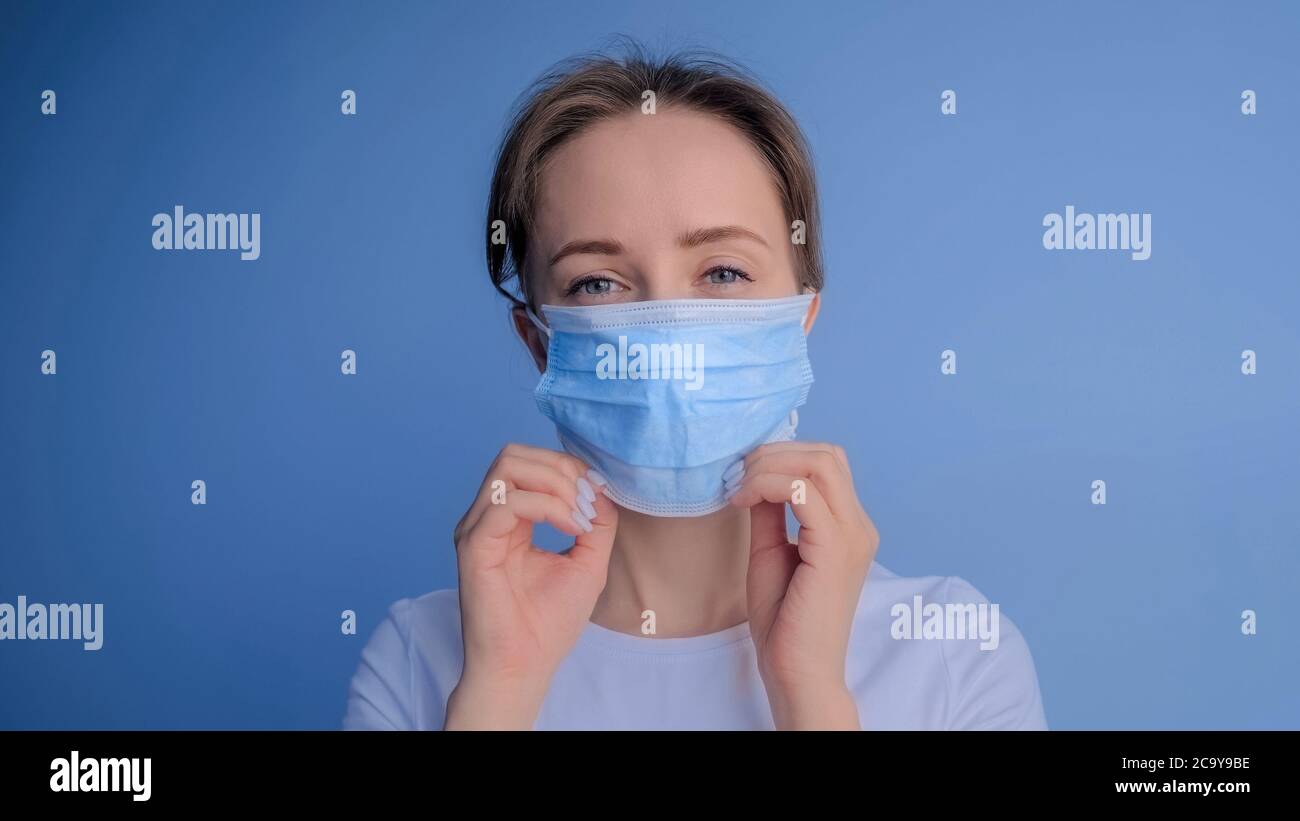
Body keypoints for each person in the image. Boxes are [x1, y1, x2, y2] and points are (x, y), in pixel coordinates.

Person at [343, 43, 1047, 730]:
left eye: (723, 272)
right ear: (538, 344)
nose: (670, 334)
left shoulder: (955, 655)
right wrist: (500, 691)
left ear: (800, 318)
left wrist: (809, 697)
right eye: (597, 282)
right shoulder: (422, 660)